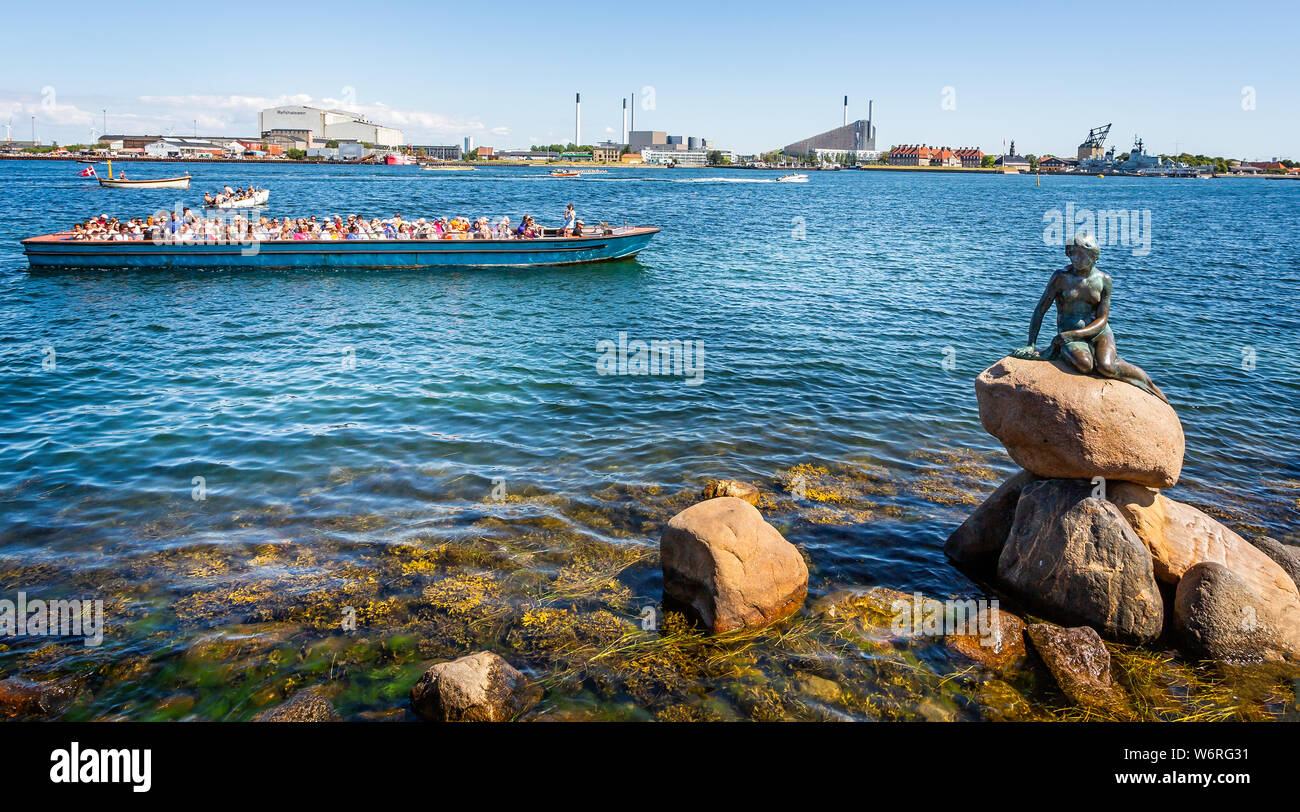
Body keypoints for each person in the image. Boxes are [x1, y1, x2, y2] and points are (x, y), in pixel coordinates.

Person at [1019, 232, 1167, 402]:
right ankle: (1076, 353)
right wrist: (1031, 344)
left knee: (1107, 367)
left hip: (1098, 332)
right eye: (1072, 253)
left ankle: (1149, 385)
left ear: (1093, 256)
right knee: (1085, 365)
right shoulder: (1061, 277)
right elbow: (1040, 310)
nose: (1075, 258)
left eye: (1080, 254)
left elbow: (1102, 319)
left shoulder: (1104, 281)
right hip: (1071, 331)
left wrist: (1074, 335)